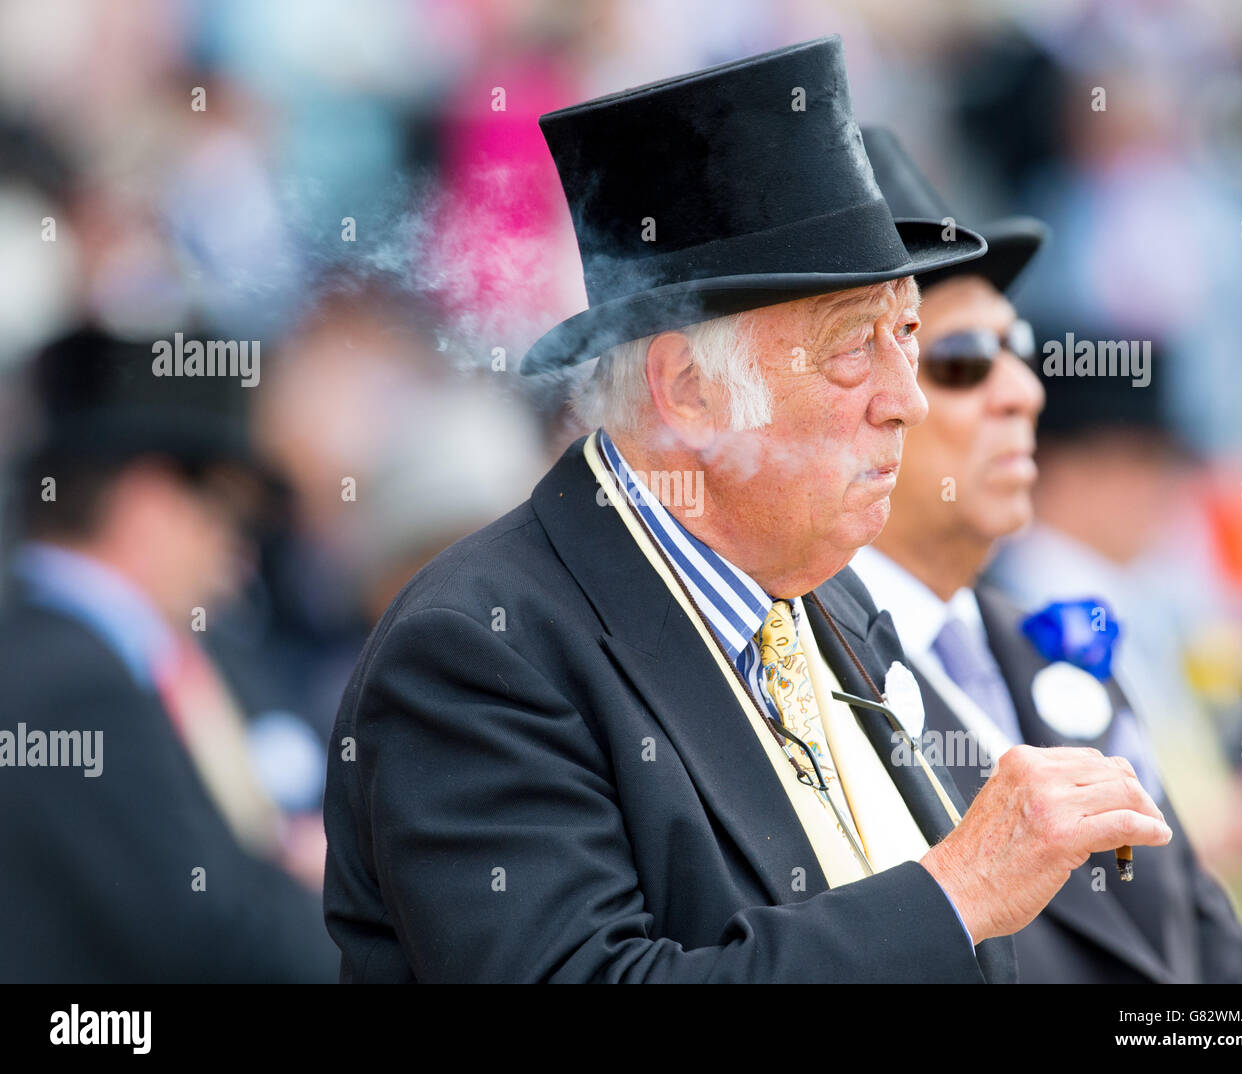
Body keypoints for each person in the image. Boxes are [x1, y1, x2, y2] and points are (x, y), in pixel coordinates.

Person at [322, 36, 1171, 983]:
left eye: (909, 335)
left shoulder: (827, 595)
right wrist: (956, 891)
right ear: (686, 389)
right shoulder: (482, 649)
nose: (909, 398)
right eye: (855, 347)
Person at [846, 127, 1242, 982]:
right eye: (964, 361)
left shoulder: (1056, 646)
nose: (1024, 391)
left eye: (1020, 349)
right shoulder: (810, 664)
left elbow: (1209, 947)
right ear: (862, 400)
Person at [0, 327, 338, 983]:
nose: (238, 559)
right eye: (228, 516)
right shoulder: (70, 684)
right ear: (148, 500)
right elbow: (213, 936)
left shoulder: (189, 655)